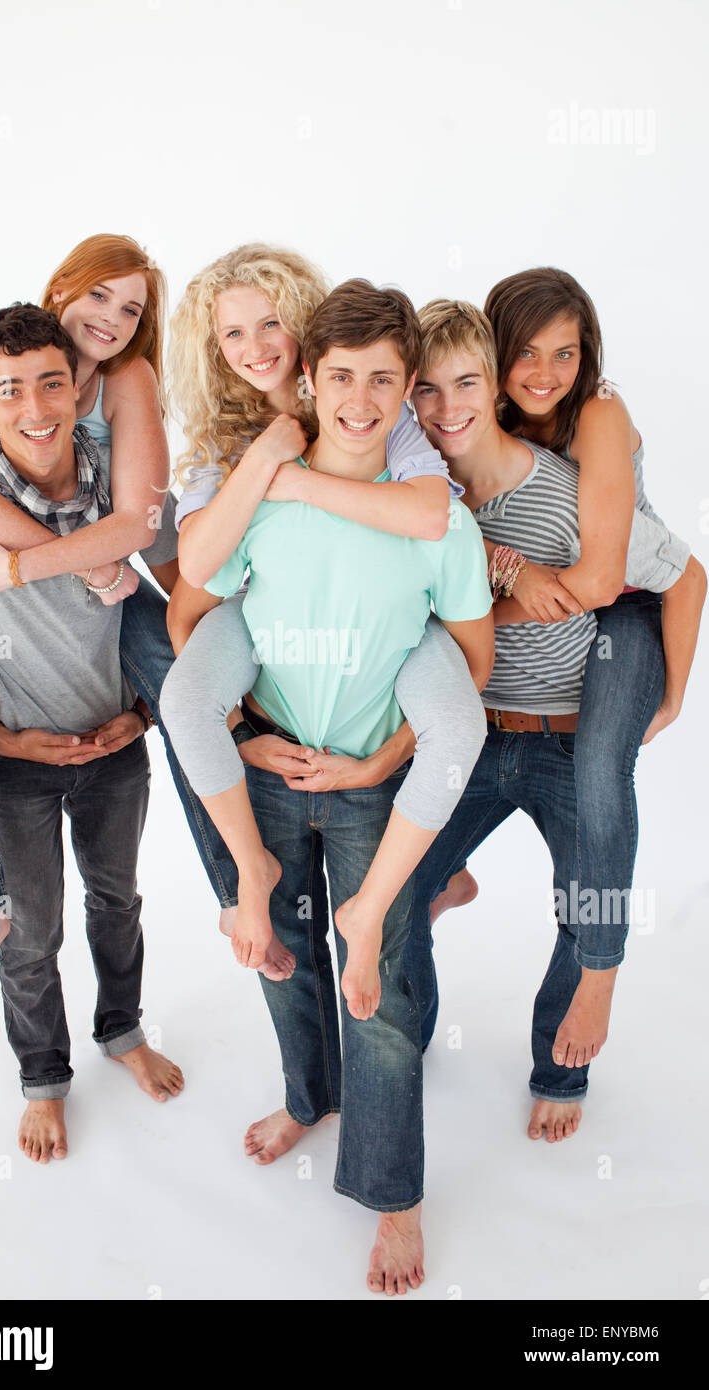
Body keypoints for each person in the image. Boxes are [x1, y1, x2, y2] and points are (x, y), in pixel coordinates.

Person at [167, 279, 493, 1294]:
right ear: (307, 379)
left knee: (380, 994)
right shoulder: (256, 494)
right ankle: (309, 1095)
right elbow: (191, 617)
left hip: (367, 784)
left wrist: (387, 756)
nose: (359, 399)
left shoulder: (433, 521)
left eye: (382, 381)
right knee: (281, 960)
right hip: (273, 764)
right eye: (340, 376)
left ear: (406, 393)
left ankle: (394, 1194)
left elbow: (471, 660)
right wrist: (243, 733)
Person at [406, 298, 704, 1142]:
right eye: (424, 392)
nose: (444, 407)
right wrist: (500, 577)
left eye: (461, 384)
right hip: (473, 735)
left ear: (486, 384)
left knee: (585, 902)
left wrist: (673, 696)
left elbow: (681, 574)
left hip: (570, 734)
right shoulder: (415, 492)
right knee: (394, 892)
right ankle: (404, 1036)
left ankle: (560, 1063)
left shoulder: (574, 488)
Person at [0, 234, 234, 1014]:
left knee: (192, 686)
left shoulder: (125, 377)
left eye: (131, 308)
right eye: (99, 295)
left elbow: (138, 524)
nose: (112, 318)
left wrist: (107, 572)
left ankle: (236, 884)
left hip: (95, 567)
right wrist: (75, 564)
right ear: (62, 290)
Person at [161, 244, 486, 994]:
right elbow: (199, 578)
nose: (255, 349)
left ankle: (380, 906)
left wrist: (298, 484)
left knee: (436, 705)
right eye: (231, 335)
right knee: (183, 699)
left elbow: (431, 515)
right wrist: (264, 463)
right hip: (263, 612)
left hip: (384, 613)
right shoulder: (228, 442)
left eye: (270, 323)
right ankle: (247, 872)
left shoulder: (379, 416)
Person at [0, 305, 185, 1163]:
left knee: (119, 905)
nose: (36, 406)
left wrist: (143, 715)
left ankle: (123, 1031)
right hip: (14, 765)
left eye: (51, 382)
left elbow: (180, 620)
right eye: (11, 389)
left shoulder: (122, 491)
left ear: (78, 387)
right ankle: (44, 1081)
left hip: (113, 748)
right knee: (31, 935)